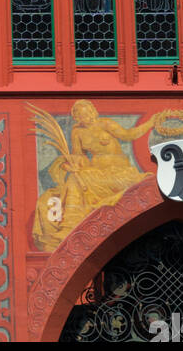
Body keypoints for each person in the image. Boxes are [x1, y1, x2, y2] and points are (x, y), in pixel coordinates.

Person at [32, 100, 152, 252]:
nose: (86, 116)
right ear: (77, 118)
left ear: (93, 111)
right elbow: (79, 155)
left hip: (119, 174)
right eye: (81, 114)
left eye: (88, 112)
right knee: (74, 179)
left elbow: (129, 135)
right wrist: (73, 164)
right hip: (95, 174)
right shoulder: (77, 132)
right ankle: (68, 225)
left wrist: (151, 122)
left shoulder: (105, 124)